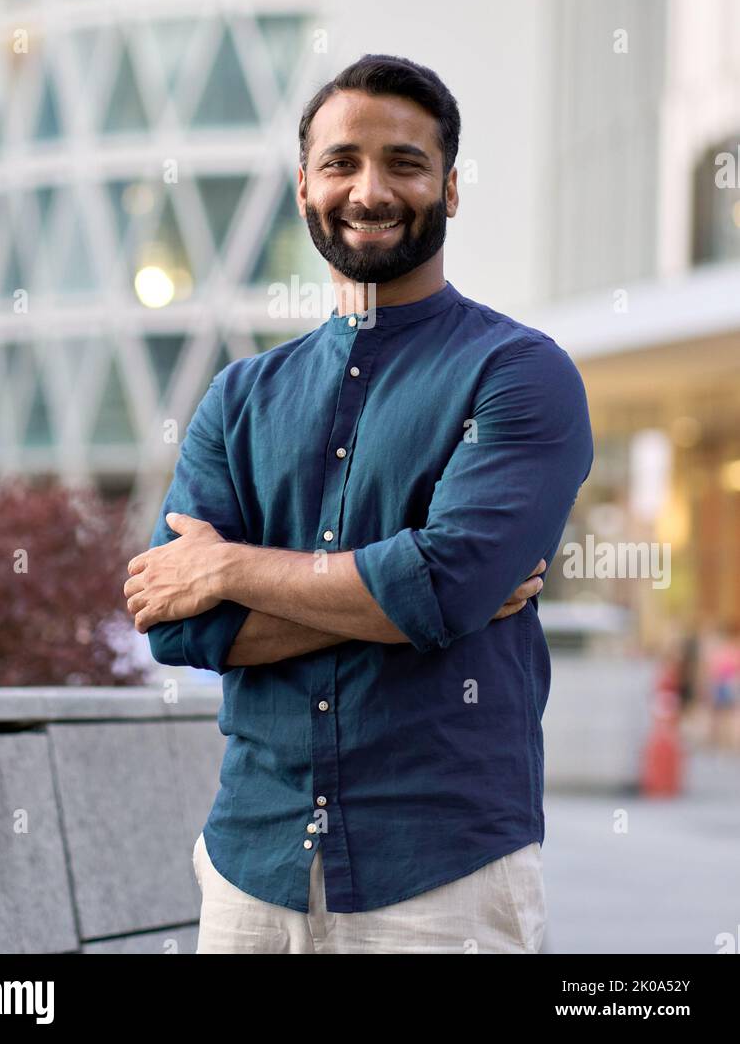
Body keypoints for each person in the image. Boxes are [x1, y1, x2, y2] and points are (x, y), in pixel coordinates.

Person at [125, 53, 594, 953]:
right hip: (249, 869)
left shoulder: (519, 373)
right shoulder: (238, 396)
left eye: (404, 164)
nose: (369, 191)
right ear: (304, 186)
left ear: (448, 188)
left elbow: (449, 584)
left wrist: (228, 569)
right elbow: (176, 626)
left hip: (441, 874)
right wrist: (404, 595)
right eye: (340, 163)